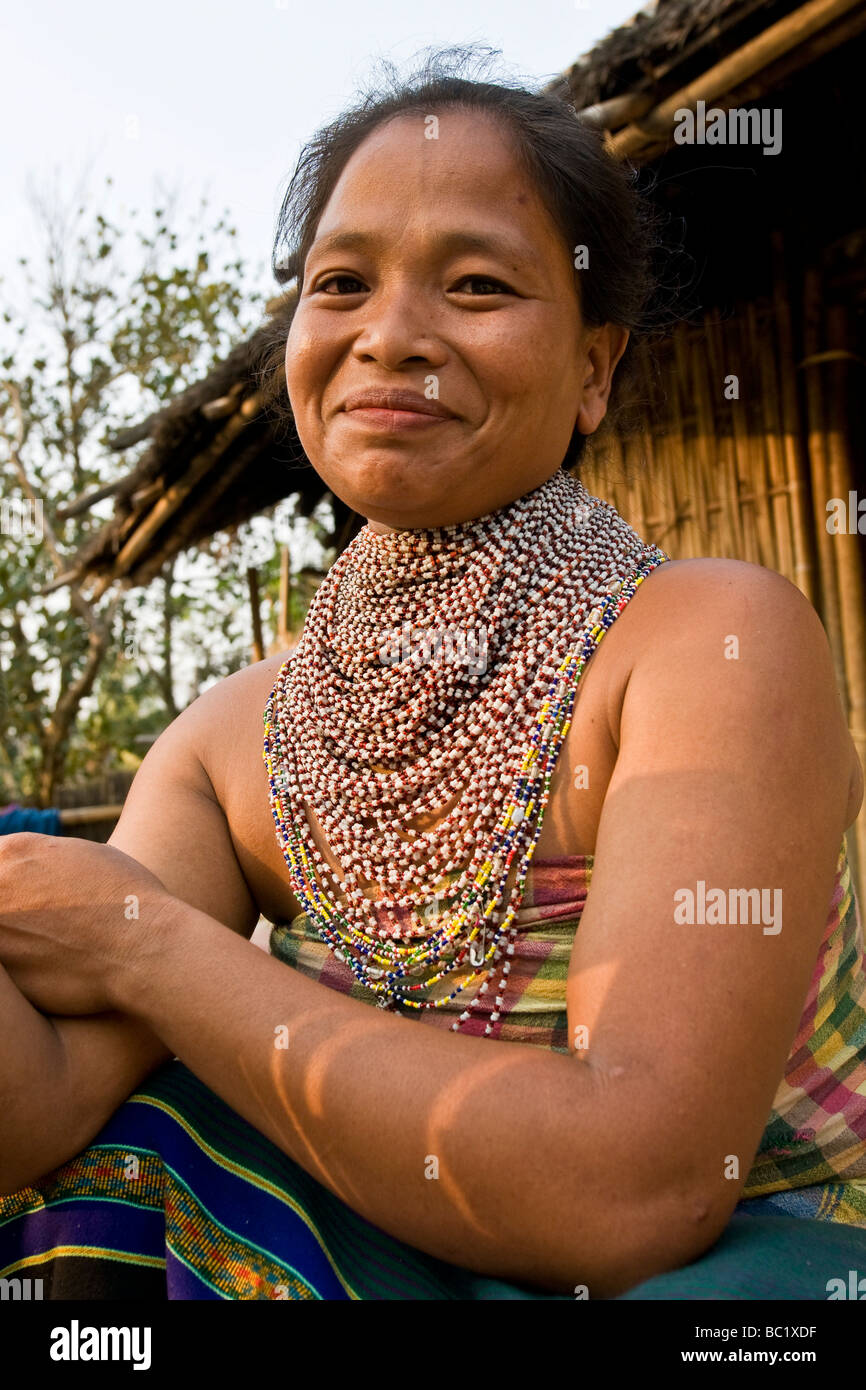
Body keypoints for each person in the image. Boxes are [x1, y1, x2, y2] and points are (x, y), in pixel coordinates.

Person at [1, 52, 864, 1301]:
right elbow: (46, 1107)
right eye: (338, 282)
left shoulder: (708, 644)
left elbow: (639, 1187)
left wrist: (146, 949)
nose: (389, 336)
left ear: (592, 369)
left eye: (475, 284)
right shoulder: (230, 738)